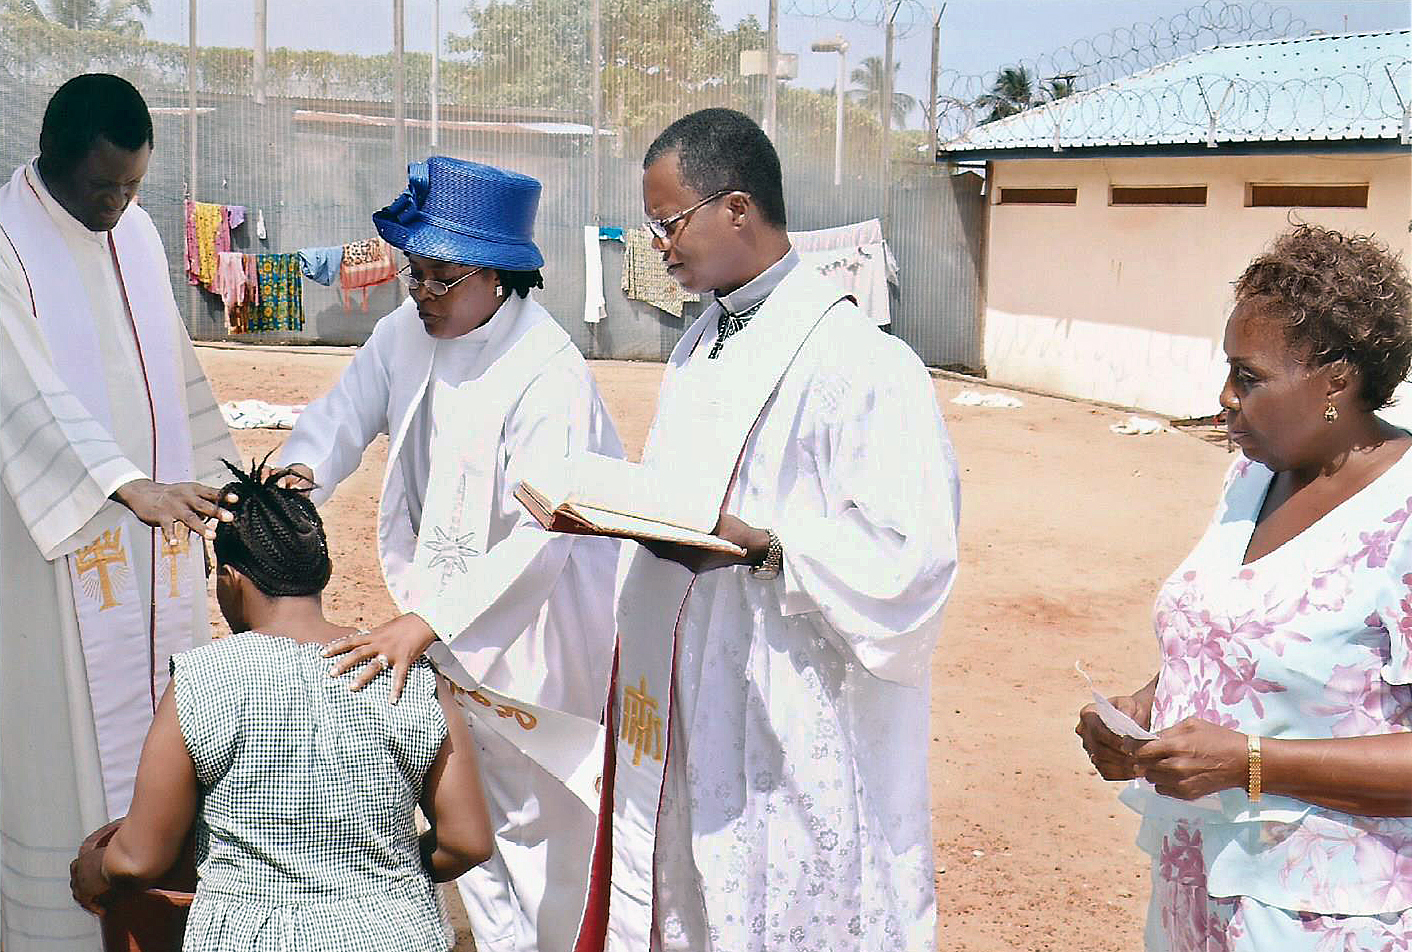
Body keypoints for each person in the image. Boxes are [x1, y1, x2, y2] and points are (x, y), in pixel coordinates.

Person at [576, 108, 961, 952]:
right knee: (702, 890)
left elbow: (916, 556)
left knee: (788, 892)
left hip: (794, 688)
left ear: (738, 208)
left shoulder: (860, 361)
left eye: (670, 224)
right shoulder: (699, 344)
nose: (660, 248)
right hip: (697, 669)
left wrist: (771, 547)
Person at [276, 157, 623, 952]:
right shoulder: (406, 332)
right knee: (472, 825)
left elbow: (546, 534)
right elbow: (342, 416)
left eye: (442, 277)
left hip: (537, 633)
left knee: (543, 832)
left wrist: (430, 619)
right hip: (442, 622)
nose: (421, 292)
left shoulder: (548, 372)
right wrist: (295, 482)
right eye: (415, 271)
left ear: (499, 276)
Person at [1076, 224, 1412, 950]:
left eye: (1248, 377)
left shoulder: (1403, 514)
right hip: (1198, 888)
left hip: (1326, 917)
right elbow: (1238, 639)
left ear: (1336, 381)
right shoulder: (1253, 475)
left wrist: (1250, 762)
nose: (1225, 397)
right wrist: (1146, 707)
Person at [68, 458, 493, 950]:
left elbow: (139, 859)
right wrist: (385, 876)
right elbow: (467, 842)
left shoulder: (205, 677)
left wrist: (95, 869)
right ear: (323, 574)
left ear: (230, 579)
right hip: (400, 932)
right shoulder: (409, 674)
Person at [0, 74, 237, 952]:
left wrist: (220, 476)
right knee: (59, 739)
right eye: (105, 188)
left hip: (153, 536)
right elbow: (17, 386)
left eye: (134, 187)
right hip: (53, 537)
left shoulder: (134, 233)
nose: (119, 205)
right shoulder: (6, 240)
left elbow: (170, 364)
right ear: (51, 156)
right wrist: (119, 480)